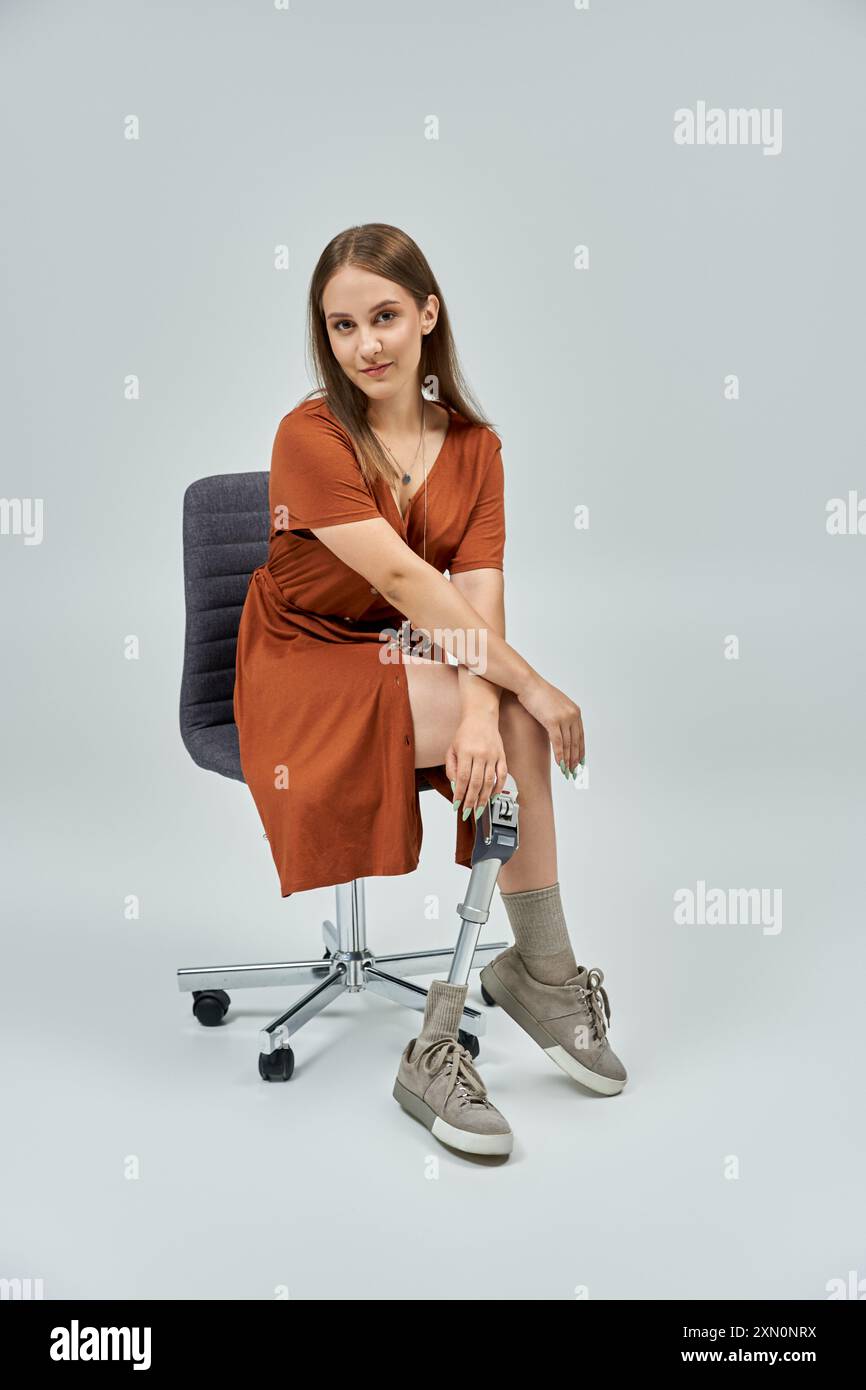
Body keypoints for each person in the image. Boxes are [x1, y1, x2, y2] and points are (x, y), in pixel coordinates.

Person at [233, 222, 627, 1160]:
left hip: (412, 655)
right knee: (528, 711)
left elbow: (476, 595)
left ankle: (538, 975)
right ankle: (456, 1034)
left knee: (512, 723)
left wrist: (484, 707)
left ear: (427, 315)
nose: (365, 345)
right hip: (300, 661)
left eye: (384, 317)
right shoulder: (309, 435)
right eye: (341, 326)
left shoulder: (478, 448)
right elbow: (408, 581)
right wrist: (533, 686)